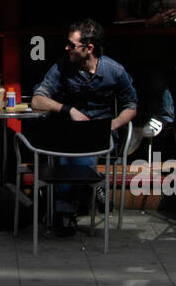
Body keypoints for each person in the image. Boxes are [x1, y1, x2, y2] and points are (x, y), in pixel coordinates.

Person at [30, 18, 138, 236]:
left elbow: (131, 106)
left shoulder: (113, 70)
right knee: (67, 149)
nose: (66, 48)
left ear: (89, 48)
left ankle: (64, 211)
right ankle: (85, 192)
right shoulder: (63, 66)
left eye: (72, 45)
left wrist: (113, 124)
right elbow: (37, 100)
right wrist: (68, 110)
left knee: (77, 149)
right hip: (70, 129)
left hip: (101, 130)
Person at [114, 0, 176, 147]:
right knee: (127, 66)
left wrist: (144, 22)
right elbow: (120, 17)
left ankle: (163, 115)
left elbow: (168, 21)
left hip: (168, 45)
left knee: (155, 60)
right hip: (136, 43)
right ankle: (137, 119)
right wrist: (149, 21)